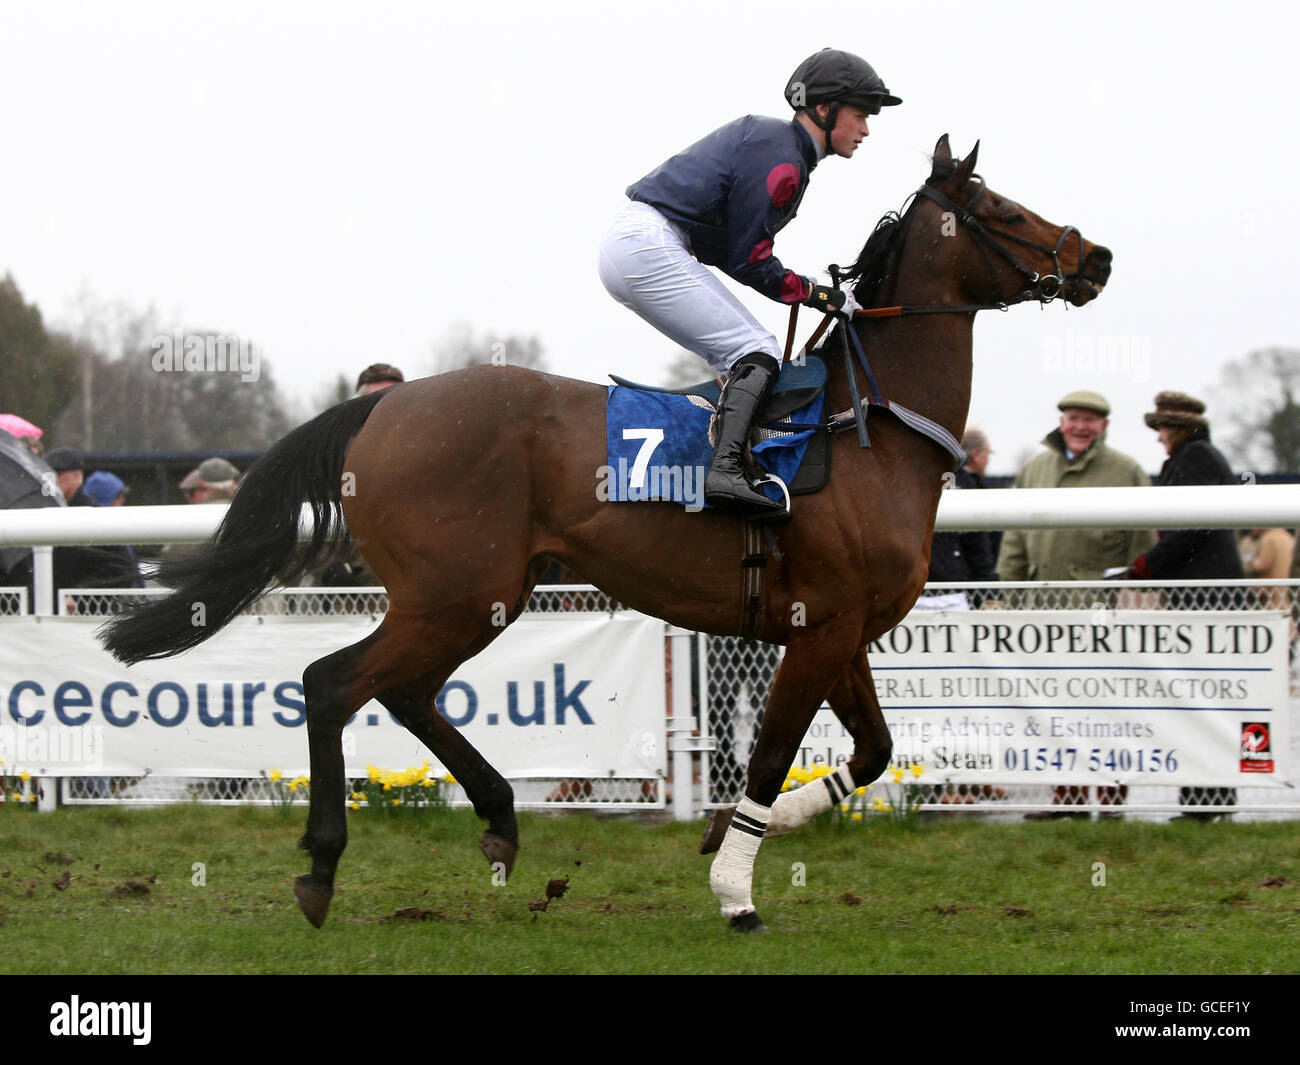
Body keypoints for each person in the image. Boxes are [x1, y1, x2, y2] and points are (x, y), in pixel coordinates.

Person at [599, 48, 900, 516]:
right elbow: (749, 260)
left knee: (738, 355)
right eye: (860, 114)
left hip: (642, 243)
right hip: (648, 245)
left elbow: (734, 253)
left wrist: (805, 288)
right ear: (824, 109)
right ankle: (727, 473)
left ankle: (717, 463)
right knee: (756, 350)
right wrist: (819, 294)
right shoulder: (784, 159)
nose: (866, 130)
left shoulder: (778, 147)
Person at [999, 391, 1156, 820]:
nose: (1081, 426)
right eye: (1074, 418)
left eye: (1090, 419)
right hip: (1041, 616)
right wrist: (1008, 596)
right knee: (1056, 708)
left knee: (1107, 709)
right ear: (1062, 421)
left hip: (1102, 616)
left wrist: (1137, 603)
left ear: (1104, 426)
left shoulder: (1126, 471)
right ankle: (1065, 798)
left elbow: (1143, 544)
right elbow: (1013, 540)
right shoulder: (1035, 468)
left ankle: (1110, 801)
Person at [1118, 392, 1244, 821]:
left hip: (1208, 598)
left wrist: (1145, 565)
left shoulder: (1196, 458)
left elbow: (1194, 524)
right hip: (1206, 595)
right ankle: (1205, 800)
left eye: (1164, 430)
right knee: (1203, 695)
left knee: (1203, 696)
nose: (1160, 439)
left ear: (1180, 429)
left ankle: (1208, 800)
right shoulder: (1197, 456)